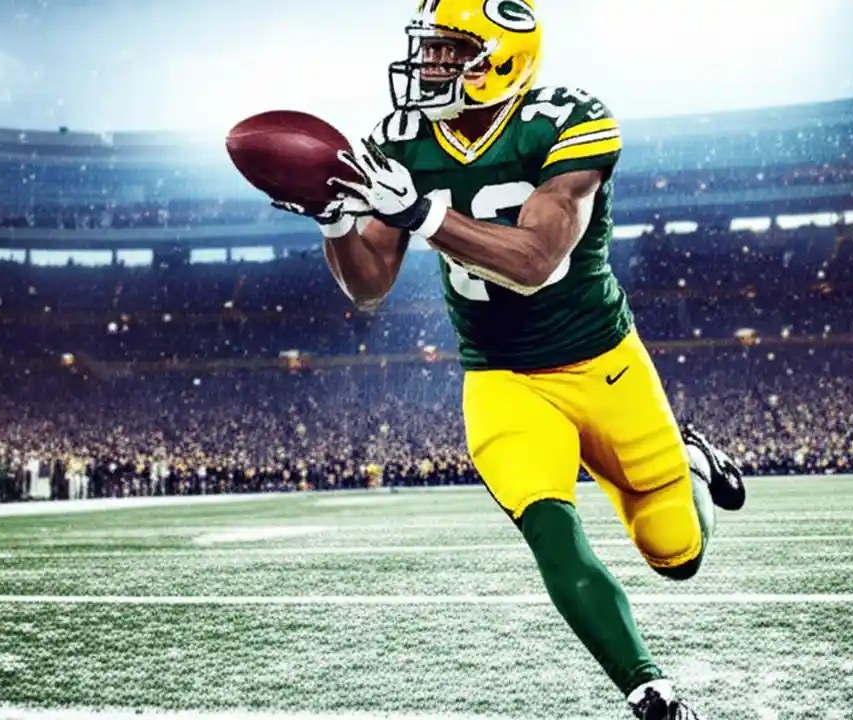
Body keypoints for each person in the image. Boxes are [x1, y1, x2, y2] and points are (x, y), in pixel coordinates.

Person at [273, 1, 746, 718]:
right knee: (551, 531)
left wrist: (423, 214)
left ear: (498, 59)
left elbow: (534, 261)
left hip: (602, 364)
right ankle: (649, 690)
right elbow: (369, 285)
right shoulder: (401, 138)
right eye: (425, 48)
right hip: (501, 377)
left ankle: (693, 464)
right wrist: (336, 221)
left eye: (445, 50)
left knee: (676, 555)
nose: (427, 65)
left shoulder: (565, 121)